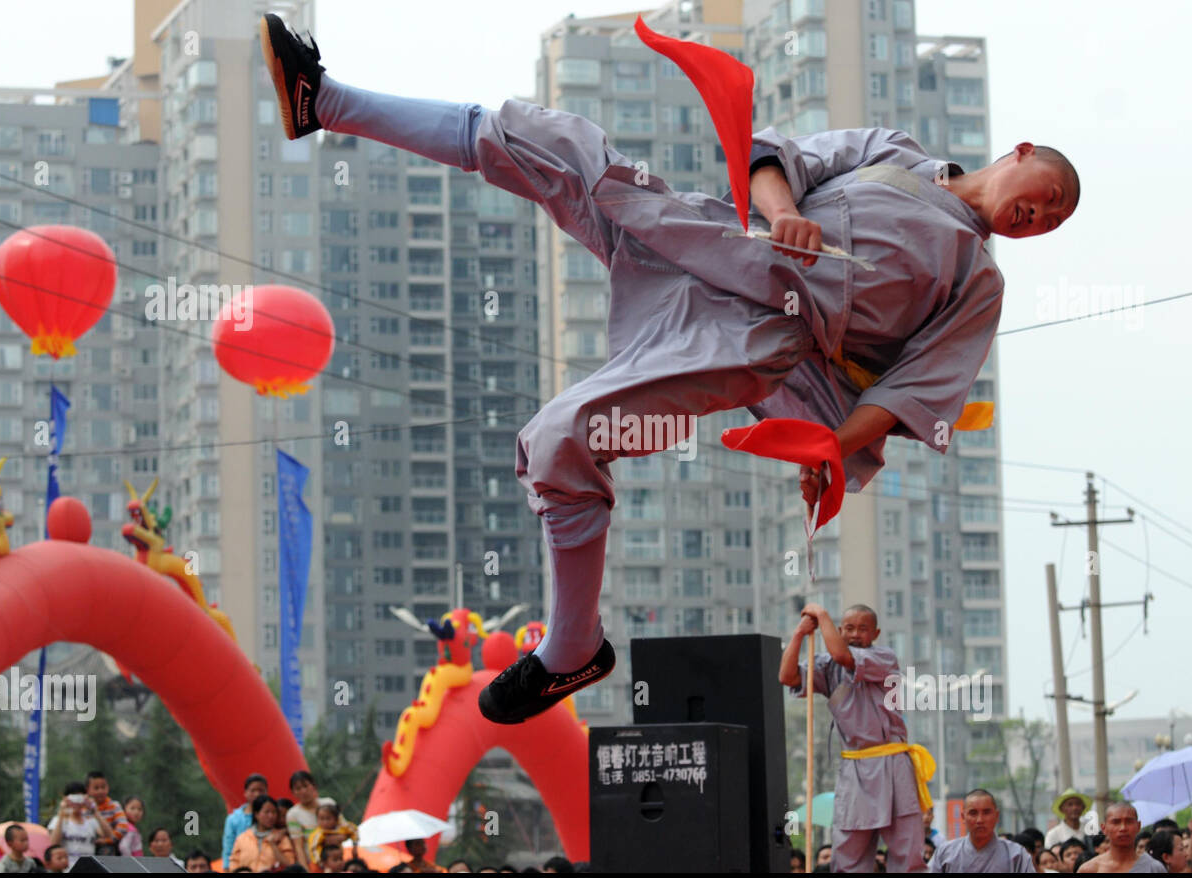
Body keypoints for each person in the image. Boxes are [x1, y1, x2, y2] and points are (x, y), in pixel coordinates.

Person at [258, 14, 1079, 726]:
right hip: (710, 237)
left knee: (563, 437)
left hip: (756, 332)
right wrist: (786, 212)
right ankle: (323, 100)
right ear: (1021, 151)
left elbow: (910, 395)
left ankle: (572, 647)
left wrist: (829, 453)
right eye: (1044, 196)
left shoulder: (977, 281)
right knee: (553, 142)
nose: (1038, 217)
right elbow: (773, 159)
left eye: (1050, 222)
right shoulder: (893, 152)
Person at [780, 603, 932, 873]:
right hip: (854, 767)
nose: (855, 634)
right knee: (849, 853)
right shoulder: (826, 666)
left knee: (907, 852)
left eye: (863, 629)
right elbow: (787, 676)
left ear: (876, 633)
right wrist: (799, 634)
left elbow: (843, 656)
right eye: (849, 628)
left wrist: (822, 613)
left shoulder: (884, 658)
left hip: (893, 762)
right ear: (839, 630)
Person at [926, 789, 1034, 873]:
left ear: (996, 816)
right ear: (963, 817)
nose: (980, 820)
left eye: (986, 812)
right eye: (973, 813)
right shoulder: (945, 853)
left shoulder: (1016, 855)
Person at [1076, 802, 1166, 873]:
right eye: (1116, 822)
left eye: (1129, 822)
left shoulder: (1154, 868)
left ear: (1138, 826)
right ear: (1104, 828)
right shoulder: (1090, 869)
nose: (1123, 828)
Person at [46, 780, 114, 869]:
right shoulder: (58, 820)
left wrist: (94, 811)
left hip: (89, 867)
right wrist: (62, 813)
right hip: (68, 868)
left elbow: (109, 835)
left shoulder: (91, 821)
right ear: (66, 798)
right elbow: (54, 844)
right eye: (73, 798)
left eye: (80, 798)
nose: (77, 802)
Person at [229, 795, 297, 873]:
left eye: (274, 812)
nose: (271, 816)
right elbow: (234, 863)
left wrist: (273, 845)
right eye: (266, 812)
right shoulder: (242, 838)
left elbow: (290, 865)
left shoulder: (282, 838)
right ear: (256, 814)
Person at [284, 771, 335, 871]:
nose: (303, 791)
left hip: (336, 859)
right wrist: (305, 870)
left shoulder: (329, 803)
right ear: (293, 792)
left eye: (305, 786)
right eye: (298, 788)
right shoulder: (293, 814)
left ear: (313, 786)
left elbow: (344, 829)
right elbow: (299, 847)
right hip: (314, 864)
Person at [222, 773, 268, 867]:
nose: (257, 794)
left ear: (266, 792)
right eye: (253, 790)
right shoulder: (233, 819)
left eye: (261, 790)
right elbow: (228, 849)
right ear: (246, 793)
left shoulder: (273, 814)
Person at [84, 770, 131, 854]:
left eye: (103, 787)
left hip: (108, 846)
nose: (100, 791)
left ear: (108, 787)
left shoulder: (114, 806)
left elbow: (122, 827)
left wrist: (107, 840)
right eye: (96, 788)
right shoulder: (84, 808)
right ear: (87, 790)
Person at [306, 801, 359, 868]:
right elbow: (313, 848)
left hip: (339, 862)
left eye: (328, 819)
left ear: (336, 820)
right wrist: (320, 863)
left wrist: (355, 846)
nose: (325, 822)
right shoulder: (318, 834)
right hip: (322, 865)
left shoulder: (342, 827)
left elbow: (354, 831)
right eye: (321, 819)